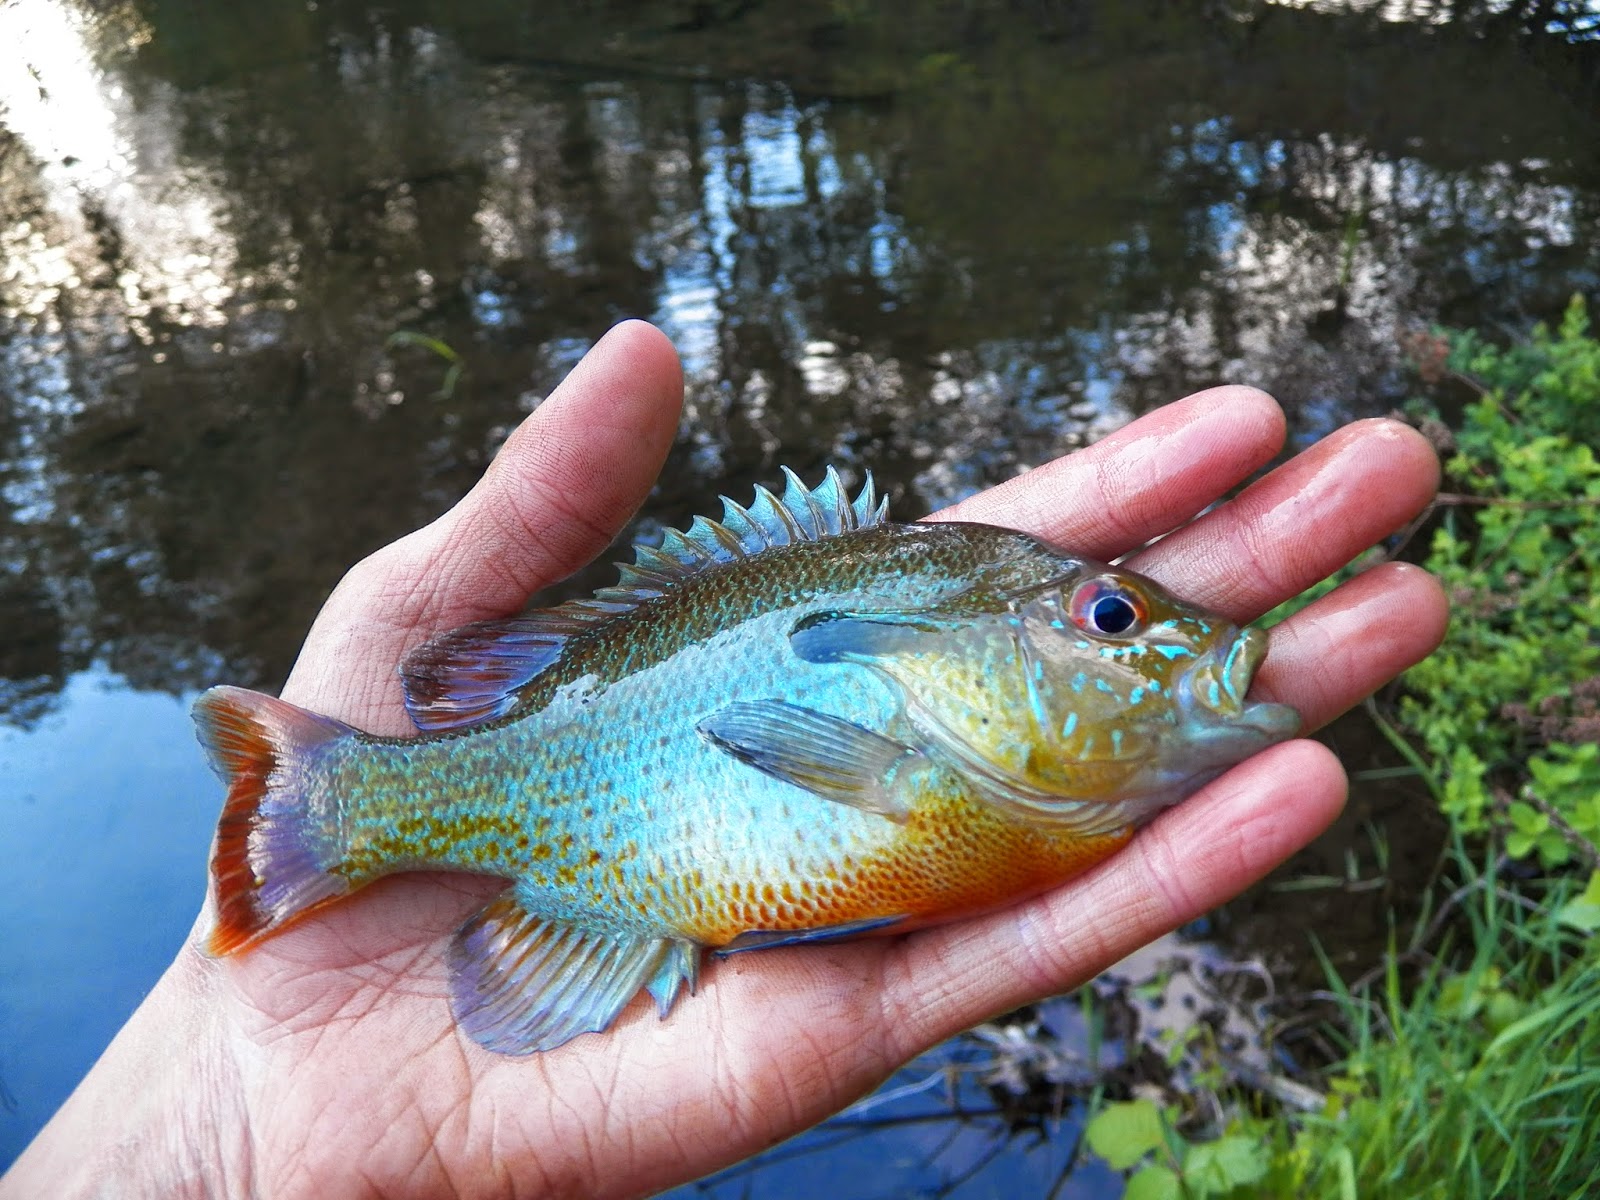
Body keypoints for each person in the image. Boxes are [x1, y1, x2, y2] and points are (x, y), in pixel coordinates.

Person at [1, 321, 1447, 1199]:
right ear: (951, 656)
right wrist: (223, 1142)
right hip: (542, 813)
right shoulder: (945, 738)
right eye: (1111, 617)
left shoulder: (1025, 790)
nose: (1148, 637)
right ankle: (335, 801)